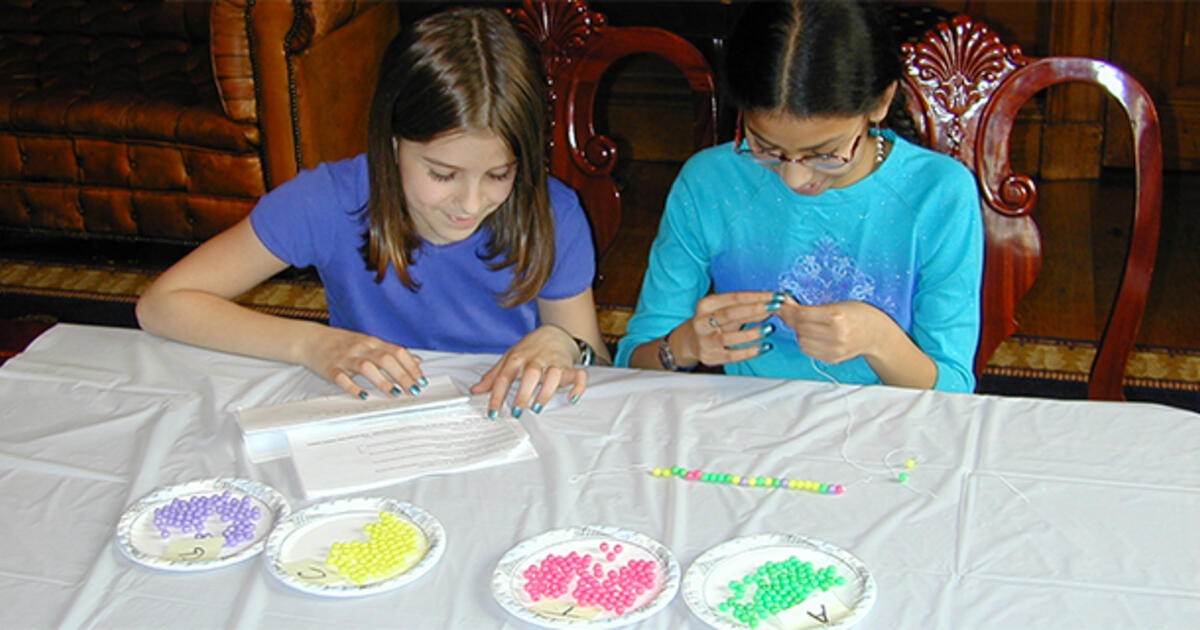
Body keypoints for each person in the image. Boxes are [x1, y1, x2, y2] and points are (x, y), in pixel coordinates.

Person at [136, 7, 610, 419]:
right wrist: (310, 343)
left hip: (507, 417)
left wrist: (566, 344)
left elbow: (602, 369)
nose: (471, 204)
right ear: (392, 142)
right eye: (443, 175)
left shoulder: (553, 213)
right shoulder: (325, 200)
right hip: (374, 416)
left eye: (499, 174)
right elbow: (163, 305)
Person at [615, 0, 982, 392]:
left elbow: (954, 392)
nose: (794, 177)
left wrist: (881, 341)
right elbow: (632, 360)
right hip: (747, 424)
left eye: (825, 153)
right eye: (765, 147)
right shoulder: (710, 183)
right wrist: (683, 345)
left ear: (880, 102)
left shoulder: (938, 193)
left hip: (887, 429)